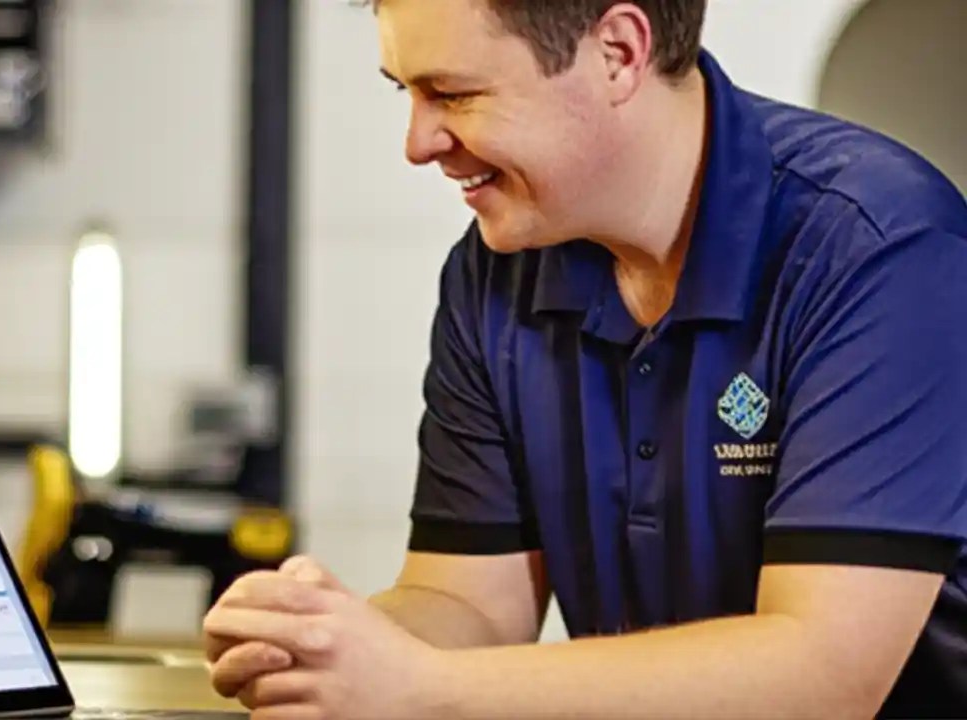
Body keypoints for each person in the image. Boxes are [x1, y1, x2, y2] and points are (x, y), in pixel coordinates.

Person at [202, 0, 967, 717]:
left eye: (455, 94)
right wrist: (321, 643)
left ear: (618, 52)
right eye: (405, 91)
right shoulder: (497, 270)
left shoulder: (882, 250)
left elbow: (824, 677)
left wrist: (419, 686)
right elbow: (471, 605)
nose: (418, 142)